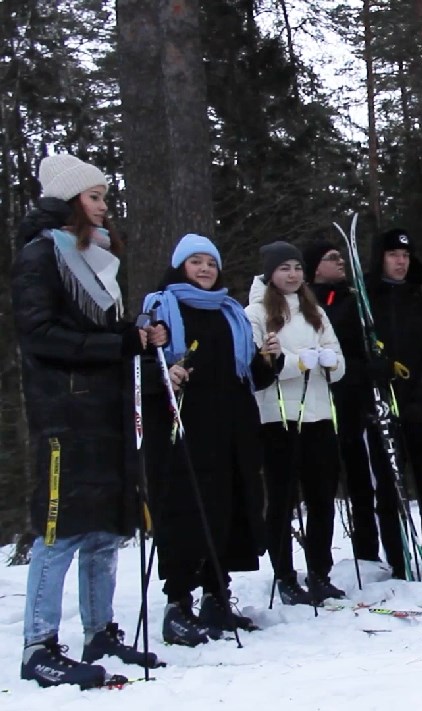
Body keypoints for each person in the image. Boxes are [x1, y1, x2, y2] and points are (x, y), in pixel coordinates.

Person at [12, 154, 164, 687]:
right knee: (62, 530)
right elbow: (39, 335)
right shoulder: (40, 256)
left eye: (104, 197)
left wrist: (139, 340)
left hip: (108, 410)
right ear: (70, 201)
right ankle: (38, 645)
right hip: (65, 412)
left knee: (104, 529)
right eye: (95, 197)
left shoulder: (96, 260)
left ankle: (100, 631)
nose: (104, 206)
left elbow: (107, 334)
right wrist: (115, 343)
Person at [141, 234, 278, 646]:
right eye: (195, 262)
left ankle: (217, 596)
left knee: (228, 508)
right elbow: (142, 366)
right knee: (185, 510)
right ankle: (178, 603)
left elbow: (249, 374)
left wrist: (268, 359)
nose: (204, 269)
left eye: (210, 263)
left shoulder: (230, 311)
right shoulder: (161, 306)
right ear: (180, 266)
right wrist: (166, 373)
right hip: (184, 425)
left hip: (231, 426)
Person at [245, 242, 346, 604]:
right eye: (284, 268)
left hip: (319, 413)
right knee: (283, 500)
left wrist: (331, 361)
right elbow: (260, 365)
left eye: (297, 268)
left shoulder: (314, 309)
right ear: (270, 273)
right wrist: (298, 363)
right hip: (278, 418)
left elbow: (337, 361)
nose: (292, 274)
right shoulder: (255, 312)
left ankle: (320, 571)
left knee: (321, 498)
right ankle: (285, 576)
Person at [365, 228, 422, 585]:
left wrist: (421, 396)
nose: (400, 262)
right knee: (388, 487)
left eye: (405, 256)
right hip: (382, 408)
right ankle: (398, 561)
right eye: (393, 255)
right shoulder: (366, 302)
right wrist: (374, 370)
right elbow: (355, 353)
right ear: (381, 258)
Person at [303, 238, 380, 564]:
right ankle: (319, 561)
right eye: (332, 258)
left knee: (361, 475)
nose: (340, 262)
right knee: (320, 483)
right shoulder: (303, 303)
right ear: (316, 266)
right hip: (315, 402)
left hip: (352, 398)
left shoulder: (353, 299)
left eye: (340, 257)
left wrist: (365, 369)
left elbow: (362, 346)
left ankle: (367, 552)